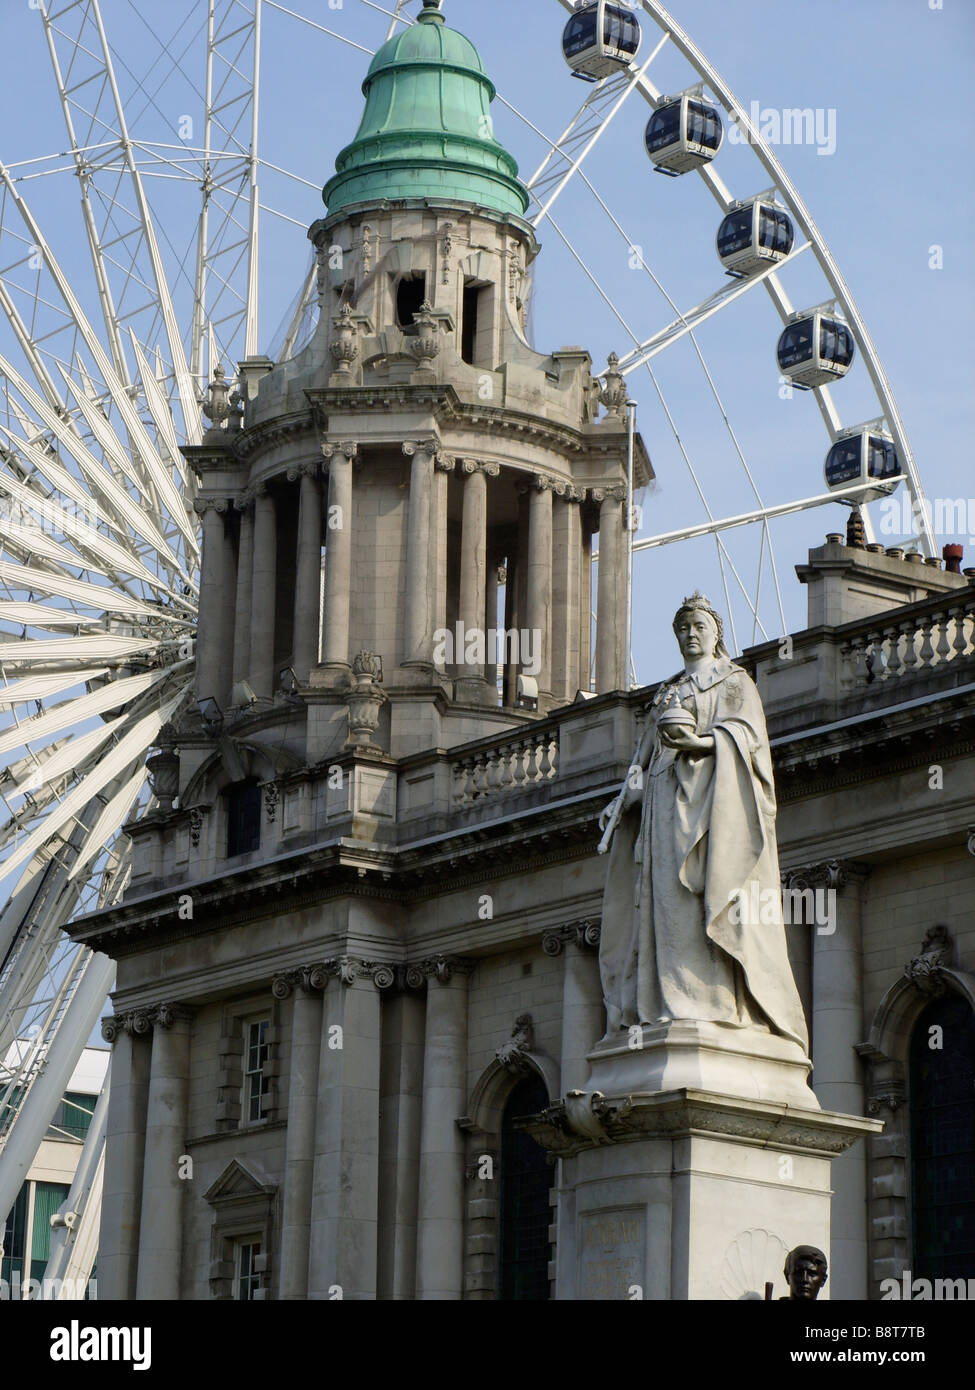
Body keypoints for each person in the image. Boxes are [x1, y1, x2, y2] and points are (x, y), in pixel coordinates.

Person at [597, 593, 808, 1049]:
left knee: (704, 898)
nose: (690, 635)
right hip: (662, 808)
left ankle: (712, 1003)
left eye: (699, 627)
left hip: (712, 809)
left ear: (716, 635)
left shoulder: (735, 683)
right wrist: (625, 799)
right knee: (667, 906)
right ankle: (667, 1002)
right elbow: (644, 757)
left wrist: (701, 743)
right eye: (683, 628)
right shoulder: (666, 694)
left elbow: (749, 740)